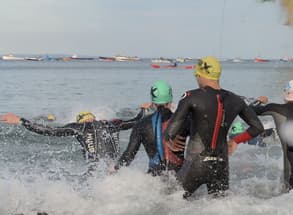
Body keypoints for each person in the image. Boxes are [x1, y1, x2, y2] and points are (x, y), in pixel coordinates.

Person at [164, 56, 264, 198]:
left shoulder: (190, 96)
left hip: (196, 163)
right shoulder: (236, 99)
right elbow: (258, 127)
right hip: (221, 165)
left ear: (199, 75)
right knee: (220, 207)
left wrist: (169, 141)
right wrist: (236, 141)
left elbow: (170, 131)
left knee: (170, 200)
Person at [2, 107, 146, 167]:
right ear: (93, 118)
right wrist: (143, 109)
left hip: (97, 174)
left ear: (80, 121)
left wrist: (22, 121)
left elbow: (49, 131)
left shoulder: (79, 127)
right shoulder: (111, 124)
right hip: (117, 169)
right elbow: (137, 121)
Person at [116, 81, 183, 175]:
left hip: (154, 177)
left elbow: (129, 155)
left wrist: (115, 169)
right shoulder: (183, 121)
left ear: (153, 101)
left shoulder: (141, 124)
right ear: (170, 99)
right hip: (179, 176)